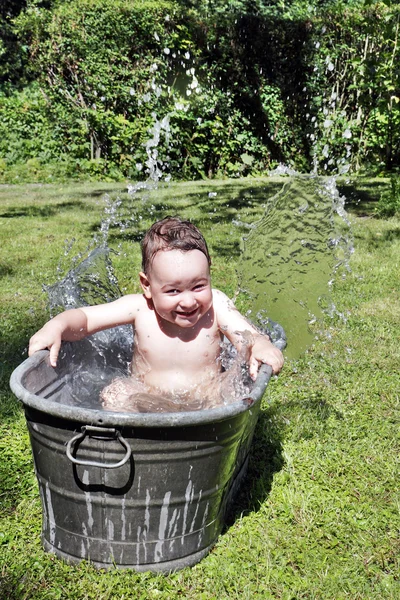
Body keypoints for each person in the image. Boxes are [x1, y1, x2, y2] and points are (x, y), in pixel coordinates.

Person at [28, 216, 284, 411]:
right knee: (116, 392)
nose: (188, 301)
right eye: (173, 291)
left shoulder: (217, 304)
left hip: (208, 398)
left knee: (232, 389)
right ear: (147, 286)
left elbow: (246, 335)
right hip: (145, 396)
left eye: (198, 286)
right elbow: (86, 319)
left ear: (209, 276)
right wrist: (58, 325)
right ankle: (131, 445)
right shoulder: (139, 308)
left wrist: (259, 343)